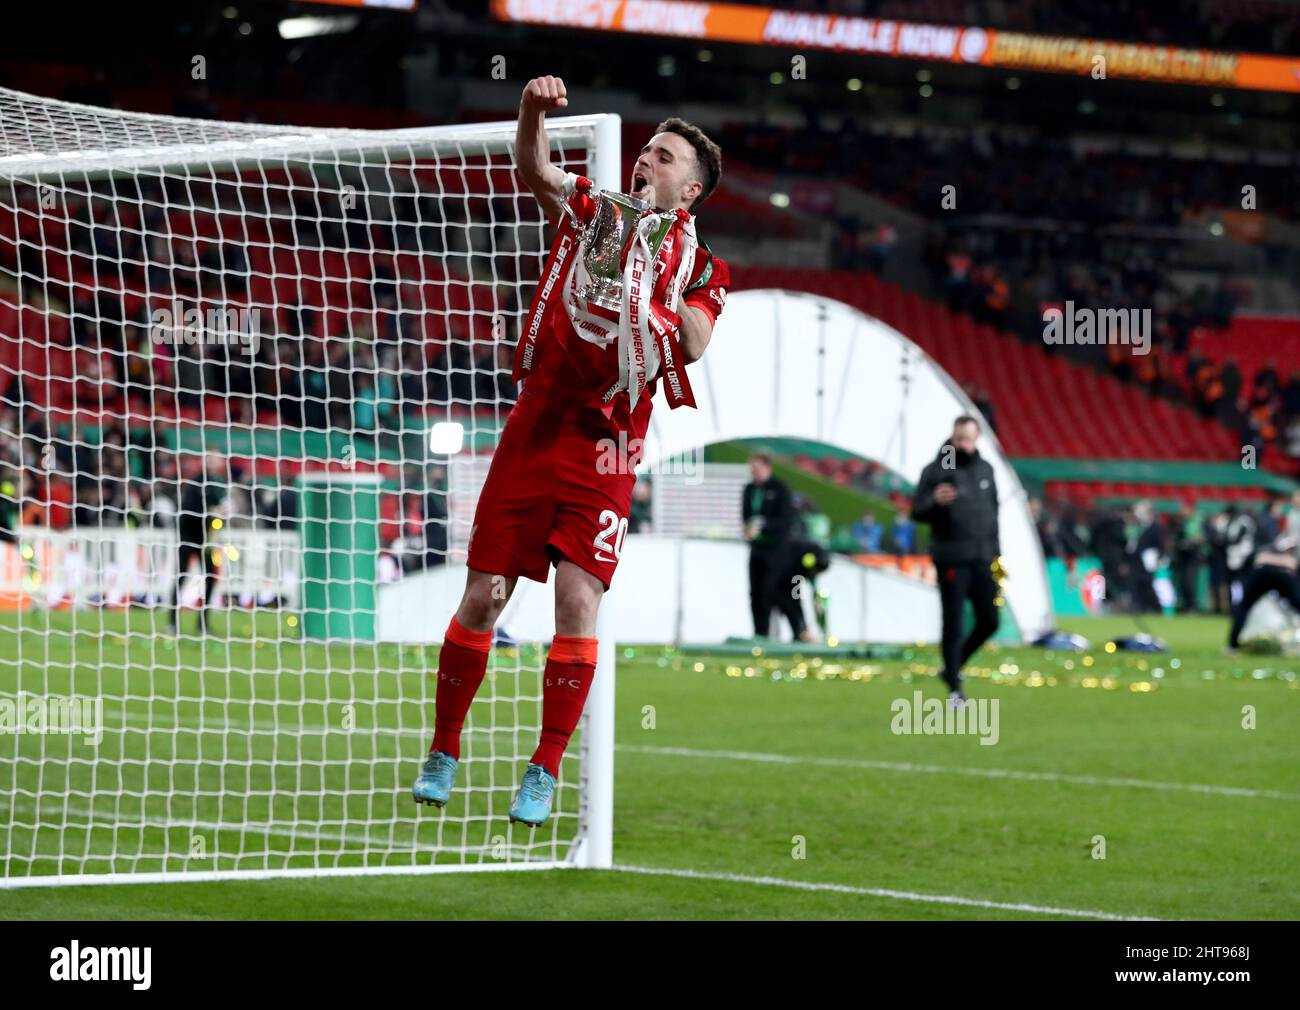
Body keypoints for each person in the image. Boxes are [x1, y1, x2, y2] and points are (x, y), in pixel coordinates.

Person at [411, 76, 730, 826]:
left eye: (663, 156)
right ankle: (444, 748)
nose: (644, 160)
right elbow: (537, 171)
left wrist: (654, 287)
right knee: (486, 596)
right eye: (646, 150)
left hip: (610, 447)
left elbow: (695, 343)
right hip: (538, 424)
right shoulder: (598, 217)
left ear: (689, 191)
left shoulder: (702, 268)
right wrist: (530, 112)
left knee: (577, 600)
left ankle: (544, 769)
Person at [911, 416, 1002, 705]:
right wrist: (935, 502)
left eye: (969, 439)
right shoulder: (939, 469)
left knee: (990, 620)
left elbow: (993, 516)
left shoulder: (985, 469)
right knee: (953, 622)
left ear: (977, 439)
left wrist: (997, 558)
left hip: (982, 557)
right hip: (952, 558)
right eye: (960, 438)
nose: (964, 444)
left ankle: (952, 666)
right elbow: (917, 510)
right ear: (952, 436)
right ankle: (954, 689)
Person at [741, 452, 802, 640]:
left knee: (778, 591)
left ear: (767, 467)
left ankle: (798, 631)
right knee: (756, 592)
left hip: (777, 551)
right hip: (756, 549)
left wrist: (763, 528)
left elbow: (785, 520)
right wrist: (748, 530)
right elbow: (746, 516)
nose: (754, 473)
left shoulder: (780, 488)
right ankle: (760, 634)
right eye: (752, 469)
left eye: (757, 469)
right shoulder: (749, 489)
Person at [170, 451, 228, 635]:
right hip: (189, 536)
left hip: (206, 539)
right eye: (209, 457)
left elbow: (221, 513)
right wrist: (209, 511)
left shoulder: (219, 485)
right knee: (182, 577)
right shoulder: (196, 483)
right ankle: (172, 622)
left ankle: (202, 622)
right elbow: (187, 510)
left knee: (211, 579)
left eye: (215, 458)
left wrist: (221, 515)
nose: (213, 461)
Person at [1225, 530, 1300, 653]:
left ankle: (1232, 646)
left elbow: (1246, 567)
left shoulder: (1263, 549)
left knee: (1244, 607)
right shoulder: (1289, 557)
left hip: (1262, 572)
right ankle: (1232, 645)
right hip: (1283, 573)